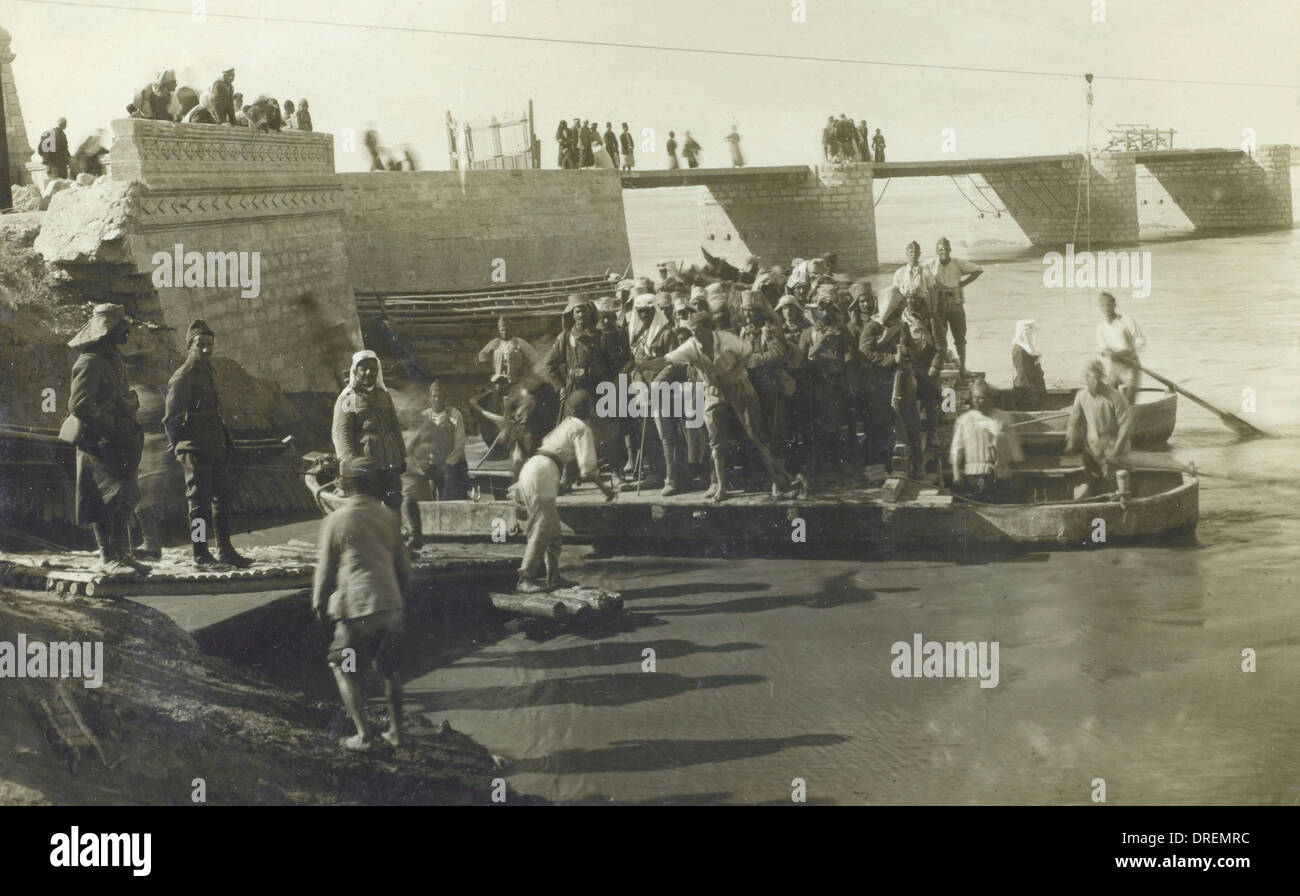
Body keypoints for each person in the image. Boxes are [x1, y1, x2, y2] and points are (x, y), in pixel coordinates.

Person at [642, 311, 804, 502]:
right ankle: (721, 487)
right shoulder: (691, 346)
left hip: (740, 387)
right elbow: (666, 360)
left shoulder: (727, 339)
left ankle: (778, 480)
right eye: (694, 332)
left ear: (710, 329)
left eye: (700, 331)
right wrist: (640, 365)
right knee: (715, 440)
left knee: (755, 435)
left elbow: (747, 352)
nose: (697, 335)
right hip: (714, 390)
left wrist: (735, 372)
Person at [312, 457, 410, 752]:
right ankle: (396, 732)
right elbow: (404, 568)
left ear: (345, 485)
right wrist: (398, 598)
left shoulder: (336, 520)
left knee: (343, 666)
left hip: (357, 610)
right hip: (390, 605)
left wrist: (318, 602)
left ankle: (364, 735)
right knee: (390, 670)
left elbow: (326, 569)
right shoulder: (389, 517)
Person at [163, 320, 253, 570]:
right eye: (200, 345)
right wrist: (180, 446)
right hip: (194, 449)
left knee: (222, 498)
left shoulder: (208, 370)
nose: (205, 349)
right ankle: (201, 554)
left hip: (216, 445)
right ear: (189, 346)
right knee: (198, 504)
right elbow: (171, 418)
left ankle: (225, 550)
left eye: (209, 345)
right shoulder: (183, 377)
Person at [67, 304, 148, 577]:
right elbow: (79, 404)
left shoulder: (113, 359)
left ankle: (124, 555)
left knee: (124, 499)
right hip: (100, 444)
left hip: (120, 443)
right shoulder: (89, 361)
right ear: (107, 331)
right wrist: (112, 425)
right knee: (105, 501)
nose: (127, 331)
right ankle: (107, 558)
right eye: (121, 327)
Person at [513, 393, 616, 593]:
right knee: (542, 527)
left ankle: (553, 577)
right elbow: (587, 469)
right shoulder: (582, 428)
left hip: (535, 468)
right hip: (543, 473)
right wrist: (605, 489)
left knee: (552, 529)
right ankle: (524, 577)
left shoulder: (567, 423)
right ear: (590, 409)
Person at [332, 350, 406, 512]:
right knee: (370, 509)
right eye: (363, 368)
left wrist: (402, 456)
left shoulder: (384, 395)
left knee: (395, 504)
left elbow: (395, 427)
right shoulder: (348, 398)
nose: (368, 372)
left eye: (373, 368)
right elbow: (342, 435)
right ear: (355, 371)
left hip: (391, 461)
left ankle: (394, 536)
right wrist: (351, 466)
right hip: (366, 465)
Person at [401, 380, 468, 552]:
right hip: (433, 464)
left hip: (454, 462)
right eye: (434, 396)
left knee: (451, 498)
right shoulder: (425, 416)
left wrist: (448, 464)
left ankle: (451, 532)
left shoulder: (455, 415)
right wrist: (424, 464)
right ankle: (421, 531)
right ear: (429, 398)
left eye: (440, 396)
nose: (437, 399)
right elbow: (418, 445)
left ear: (446, 398)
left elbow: (460, 444)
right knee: (416, 492)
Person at [1065, 360, 1134, 495]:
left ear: (1101, 377)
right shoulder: (1081, 396)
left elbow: (1125, 425)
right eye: (1088, 377)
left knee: (1114, 485)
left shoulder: (1115, 397)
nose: (1092, 381)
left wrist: (1116, 449)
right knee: (1092, 482)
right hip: (1092, 449)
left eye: (1095, 378)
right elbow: (1074, 420)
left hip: (1113, 448)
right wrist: (1071, 441)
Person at [950, 380, 1023, 497]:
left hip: (1002, 476)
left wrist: (1017, 472)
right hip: (974, 476)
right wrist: (956, 472)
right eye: (974, 397)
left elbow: (1014, 447)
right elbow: (956, 448)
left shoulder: (1004, 417)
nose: (977, 401)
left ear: (990, 398)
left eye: (981, 397)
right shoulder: (964, 420)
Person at [927, 237, 983, 379]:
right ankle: (939, 364)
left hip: (955, 303)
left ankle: (963, 367)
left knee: (960, 336)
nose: (943, 251)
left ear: (950, 250)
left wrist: (963, 283)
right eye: (940, 249)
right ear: (936, 251)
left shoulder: (957, 263)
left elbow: (978, 269)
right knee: (939, 335)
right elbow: (916, 271)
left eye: (946, 249)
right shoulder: (930, 264)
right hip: (939, 303)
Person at [1096, 292, 1145, 403]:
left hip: (1131, 364)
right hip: (1115, 366)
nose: (1106, 308)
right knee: (1108, 398)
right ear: (1100, 307)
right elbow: (1101, 347)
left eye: (1109, 304)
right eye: (1103, 305)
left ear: (1114, 305)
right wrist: (1108, 353)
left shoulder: (1126, 320)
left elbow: (1140, 341)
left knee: (1129, 399)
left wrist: (1126, 352)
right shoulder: (1101, 326)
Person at [476, 315, 537, 384]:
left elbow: (533, 355)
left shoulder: (518, 341)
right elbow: (482, 354)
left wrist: (528, 370)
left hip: (515, 379)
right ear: (499, 331)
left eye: (506, 330)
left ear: (511, 329)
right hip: (498, 378)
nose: (504, 332)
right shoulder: (496, 342)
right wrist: (487, 367)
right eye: (502, 330)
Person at [1011, 319, 1048, 408]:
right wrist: (1033, 395)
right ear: (1023, 332)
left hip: (1034, 388)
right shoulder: (1019, 350)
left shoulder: (1028, 348)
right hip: (1027, 392)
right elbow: (1023, 375)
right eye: (1029, 330)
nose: (1032, 333)